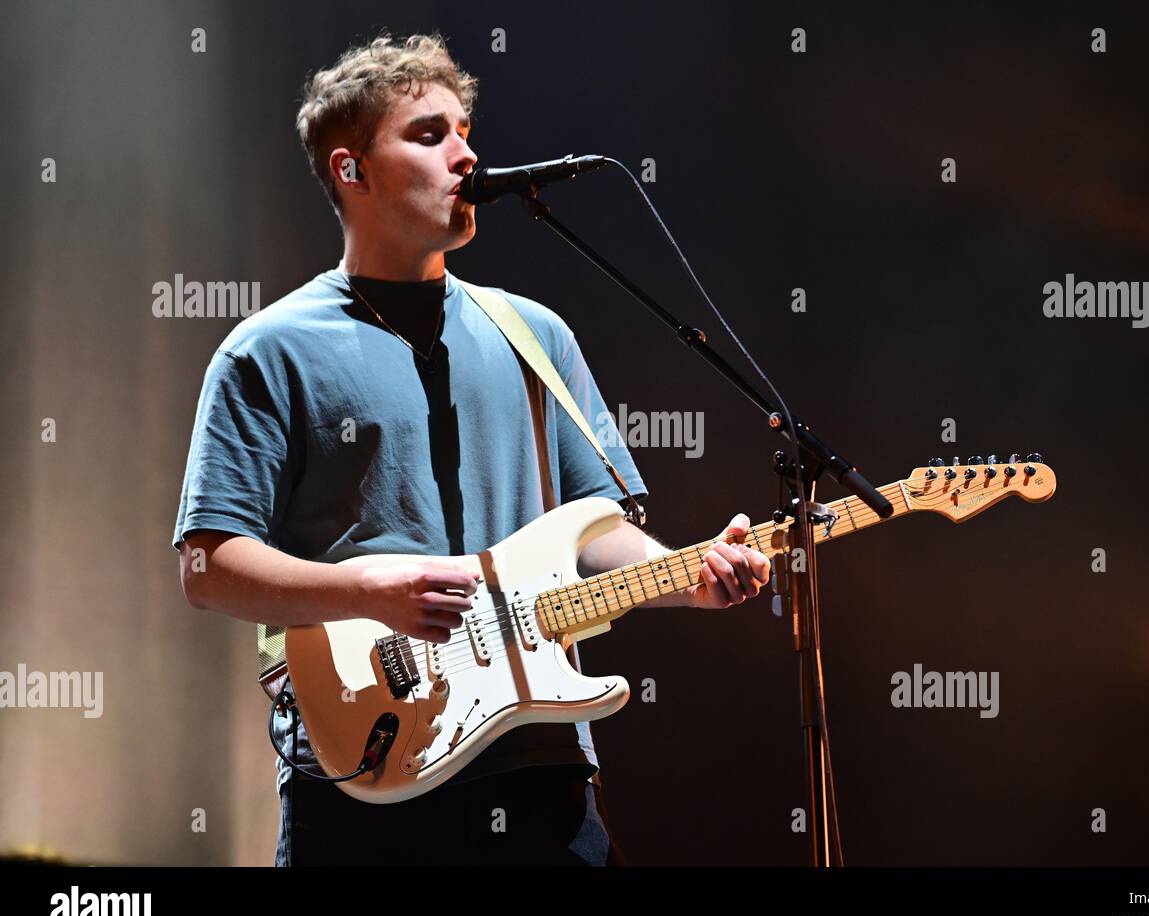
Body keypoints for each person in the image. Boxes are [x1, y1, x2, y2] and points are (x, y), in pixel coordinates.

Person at [172, 31, 770, 866]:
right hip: (368, 763)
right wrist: (367, 590)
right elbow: (207, 567)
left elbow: (595, 531)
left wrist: (687, 576)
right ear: (352, 169)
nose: (466, 155)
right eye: (430, 135)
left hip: (541, 763)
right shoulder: (268, 350)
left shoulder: (536, 335)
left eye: (464, 132)